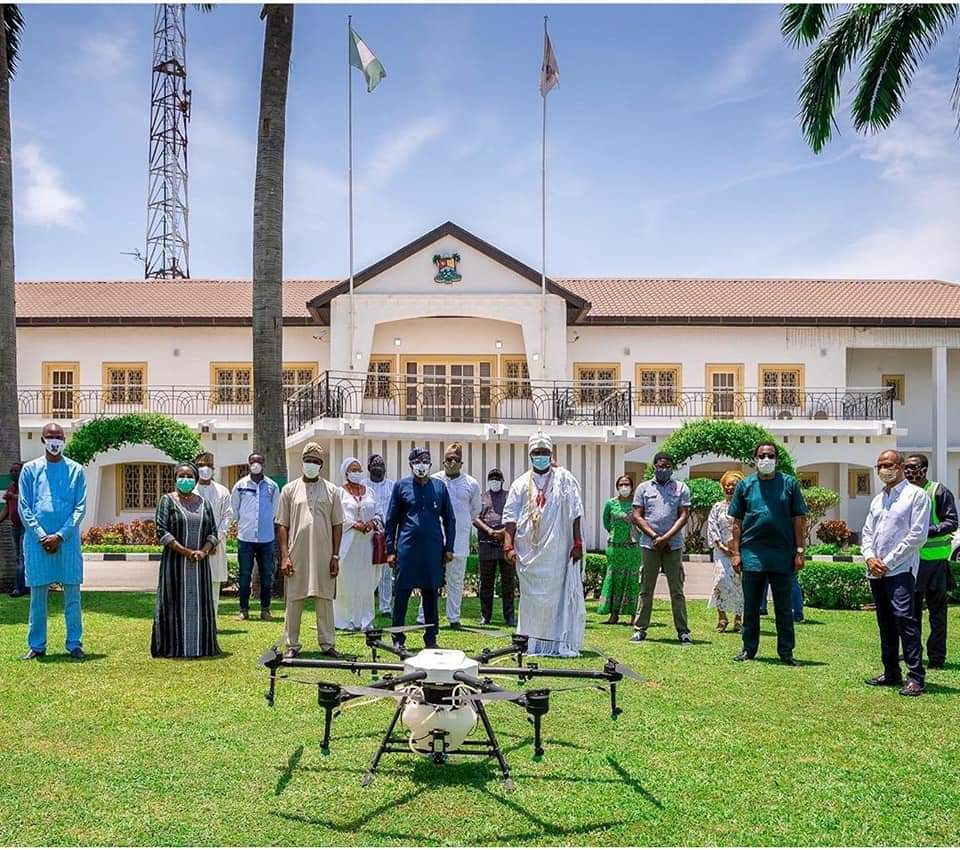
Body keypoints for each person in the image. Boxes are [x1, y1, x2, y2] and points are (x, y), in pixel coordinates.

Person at [503, 433, 585, 658]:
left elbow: (576, 512)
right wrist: (508, 546)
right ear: (530, 455)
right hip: (528, 552)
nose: (540, 456)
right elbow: (510, 518)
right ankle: (532, 643)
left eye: (544, 453)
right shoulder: (520, 483)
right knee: (531, 600)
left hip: (557, 551)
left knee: (555, 597)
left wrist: (577, 542)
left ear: (551, 454)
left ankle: (556, 643)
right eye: (537, 453)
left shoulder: (564, 478)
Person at [728, 442, 807, 665]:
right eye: (761, 455)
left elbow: (798, 519)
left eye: (770, 455)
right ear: (754, 459)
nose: (766, 459)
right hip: (752, 554)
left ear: (777, 459)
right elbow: (736, 522)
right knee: (751, 607)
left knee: (783, 607)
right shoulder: (745, 485)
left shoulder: (788, 484)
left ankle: (786, 652)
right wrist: (736, 553)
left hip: (782, 554)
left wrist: (799, 551)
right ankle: (748, 649)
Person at [862, 450, 931, 696]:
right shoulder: (878, 499)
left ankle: (915, 677)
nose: (883, 469)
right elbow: (867, 532)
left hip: (901, 570)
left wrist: (888, 562)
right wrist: (870, 557)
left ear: (901, 466)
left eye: (888, 464)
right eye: (879, 465)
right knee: (886, 622)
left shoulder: (917, 496)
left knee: (905, 621)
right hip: (876, 571)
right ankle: (891, 672)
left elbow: (917, 535)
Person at [18, 423, 87, 661]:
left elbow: (79, 508)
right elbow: (24, 507)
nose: (55, 441)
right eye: (50, 437)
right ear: (43, 440)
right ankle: (36, 645)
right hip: (37, 543)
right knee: (38, 597)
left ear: (64, 439)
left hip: (66, 543)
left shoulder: (76, 470)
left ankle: (74, 643)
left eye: (58, 437)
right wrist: (41, 535)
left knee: (73, 596)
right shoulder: (30, 470)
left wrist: (60, 535)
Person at [276, 443, 344, 659]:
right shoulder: (289, 490)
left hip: (324, 554)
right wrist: (285, 556)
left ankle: (327, 643)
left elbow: (337, 525)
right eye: (308, 461)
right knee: (294, 599)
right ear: (302, 462)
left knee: (324, 599)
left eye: (315, 461)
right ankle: (292, 645)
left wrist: (335, 556)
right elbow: (282, 525)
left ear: (321, 465)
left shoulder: (332, 490)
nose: (311, 464)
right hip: (297, 553)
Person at [384, 447, 456, 650]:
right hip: (407, 549)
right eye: (417, 461)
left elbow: (449, 519)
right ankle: (398, 638)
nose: (421, 465)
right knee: (403, 593)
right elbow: (391, 521)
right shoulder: (401, 487)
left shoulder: (440, 487)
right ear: (411, 465)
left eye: (425, 460)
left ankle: (431, 638)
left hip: (433, 550)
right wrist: (390, 550)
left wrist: (449, 547)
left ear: (431, 464)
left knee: (431, 594)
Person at [152, 463, 222, 659]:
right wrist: (186, 552)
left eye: (189, 476)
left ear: (196, 478)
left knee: (200, 604)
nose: (185, 479)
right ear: (175, 479)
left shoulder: (204, 503)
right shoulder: (167, 501)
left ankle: (201, 647)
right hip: (174, 565)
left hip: (200, 565)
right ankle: (174, 648)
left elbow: (213, 533)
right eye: (181, 476)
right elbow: (161, 531)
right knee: (174, 603)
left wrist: (203, 551)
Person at [630, 453, 691, 644]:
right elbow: (637, 516)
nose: (663, 469)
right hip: (649, 545)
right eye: (660, 466)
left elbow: (683, 515)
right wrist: (655, 537)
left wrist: (666, 538)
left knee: (677, 590)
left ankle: (683, 631)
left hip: (673, 546)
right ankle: (640, 629)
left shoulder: (680, 487)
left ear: (672, 468)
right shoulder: (643, 488)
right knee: (646, 589)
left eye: (667, 466)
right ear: (654, 466)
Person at [903, 453, 957, 669]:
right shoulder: (903, 493)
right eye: (905, 467)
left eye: (912, 467)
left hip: (934, 562)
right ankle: (912, 653)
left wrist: (925, 532)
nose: (908, 471)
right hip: (910, 562)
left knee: (937, 614)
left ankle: (936, 658)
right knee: (909, 613)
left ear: (924, 470)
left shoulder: (938, 491)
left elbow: (951, 522)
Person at [420, 443, 481, 629]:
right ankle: (424, 618)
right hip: (434, 540)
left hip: (459, 541)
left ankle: (454, 618)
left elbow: (474, 511)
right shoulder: (433, 481)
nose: (451, 462)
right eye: (448, 459)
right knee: (430, 580)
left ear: (461, 462)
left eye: (455, 459)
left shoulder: (471, 484)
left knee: (456, 581)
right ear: (443, 461)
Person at [231, 451, 280, 621]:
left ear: (264, 464)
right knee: (244, 575)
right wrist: (245, 523)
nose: (256, 464)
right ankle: (243, 609)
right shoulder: (240, 485)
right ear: (249, 463)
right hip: (245, 538)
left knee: (267, 575)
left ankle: (265, 609)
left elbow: (275, 511)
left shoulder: (272, 486)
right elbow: (234, 510)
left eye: (259, 461)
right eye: (253, 461)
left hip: (266, 539)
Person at [334, 457, 381, 632]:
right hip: (347, 544)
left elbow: (379, 512)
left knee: (365, 582)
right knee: (346, 580)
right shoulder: (339, 493)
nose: (356, 473)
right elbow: (337, 517)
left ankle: (365, 619)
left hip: (366, 544)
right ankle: (345, 619)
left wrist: (372, 523)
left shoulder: (369, 491)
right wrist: (354, 524)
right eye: (353, 470)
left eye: (359, 469)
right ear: (345, 472)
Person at [473, 468, 516, 627]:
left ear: (502, 481)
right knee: (486, 583)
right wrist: (490, 530)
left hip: (505, 544)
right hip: (487, 544)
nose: (494, 481)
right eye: (492, 478)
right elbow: (475, 518)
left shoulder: (509, 497)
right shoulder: (482, 498)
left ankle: (509, 616)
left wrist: (503, 532)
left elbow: (515, 517)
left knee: (508, 583)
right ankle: (485, 615)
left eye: (497, 478)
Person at [598, 474, 641, 625]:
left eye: (627, 484)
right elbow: (606, 523)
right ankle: (613, 614)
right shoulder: (611, 504)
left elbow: (643, 522)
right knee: (614, 578)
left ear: (632, 487)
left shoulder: (637, 504)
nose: (624, 487)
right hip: (615, 548)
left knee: (633, 579)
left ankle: (633, 615)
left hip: (633, 548)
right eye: (621, 484)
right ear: (617, 487)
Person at [194, 452, 233, 617]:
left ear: (213, 469)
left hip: (216, 546)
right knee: (194, 585)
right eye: (202, 465)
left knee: (213, 585)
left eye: (209, 466)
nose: (205, 469)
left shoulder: (222, 491)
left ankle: (212, 622)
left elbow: (228, 516)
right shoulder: (191, 491)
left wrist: (215, 540)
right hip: (194, 546)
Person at [707, 471, 744, 633]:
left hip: (741, 550)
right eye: (727, 485)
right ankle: (722, 617)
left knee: (739, 583)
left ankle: (738, 619)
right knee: (720, 579)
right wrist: (721, 546)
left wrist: (738, 549)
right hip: (721, 551)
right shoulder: (717, 507)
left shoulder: (746, 507)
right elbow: (712, 527)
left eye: (733, 485)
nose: (729, 488)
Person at [365, 454, 395, 617]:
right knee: (367, 571)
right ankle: (366, 603)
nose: (378, 467)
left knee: (386, 573)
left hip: (387, 534)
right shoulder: (363, 485)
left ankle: (385, 607)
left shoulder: (392, 486)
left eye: (381, 464)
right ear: (369, 468)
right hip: (366, 533)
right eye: (375, 464)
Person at [1, 462, 26, 597]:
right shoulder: (10, 488)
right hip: (14, 528)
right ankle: (23, 586)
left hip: (26, 528)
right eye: (11, 470)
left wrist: (14, 497)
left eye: (16, 470)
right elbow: (7, 509)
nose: (13, 473)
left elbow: (28, 501)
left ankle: (19, 588)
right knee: (18, 558)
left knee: (22, 558)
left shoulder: (27, 487)